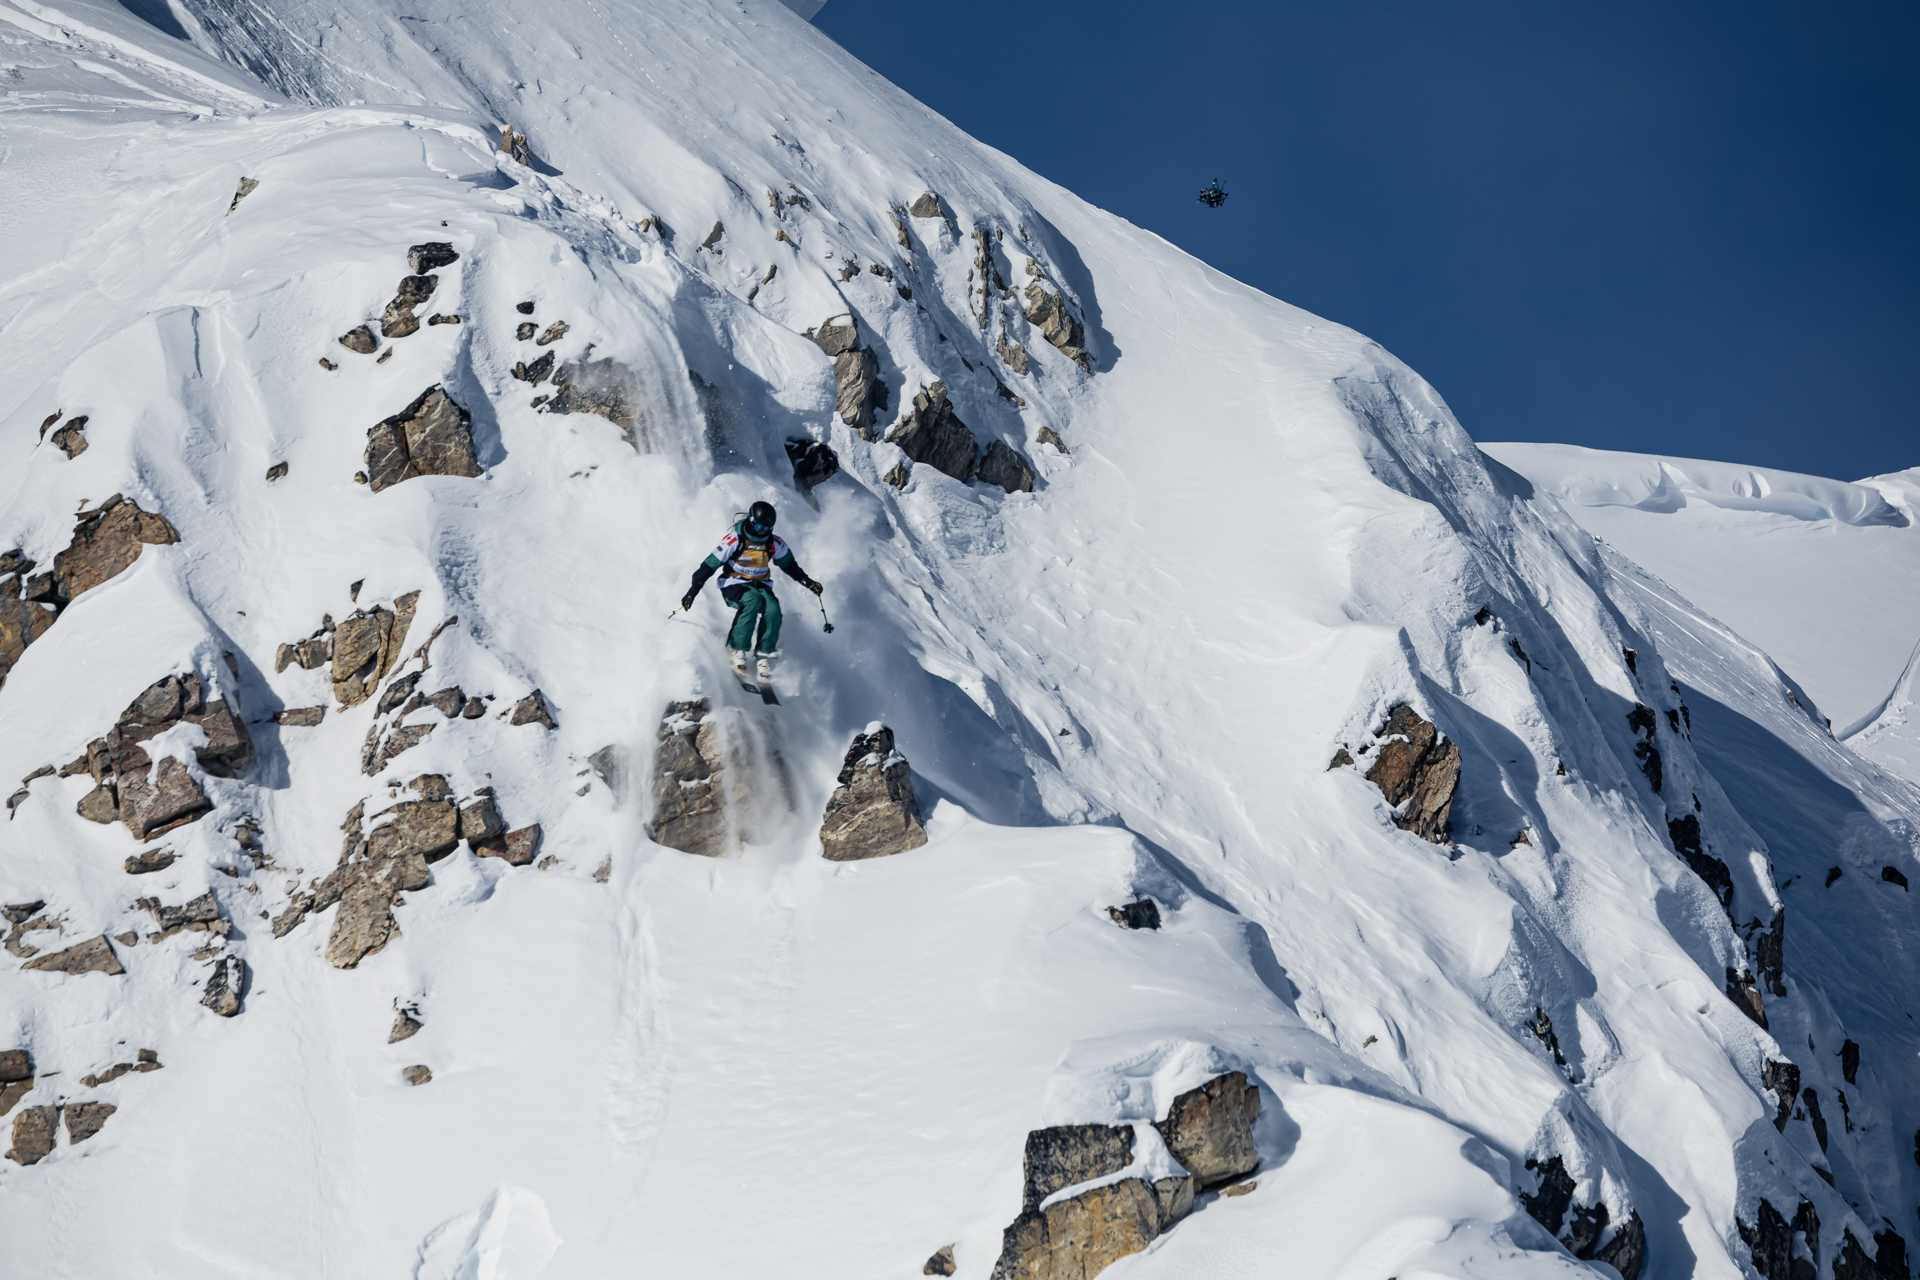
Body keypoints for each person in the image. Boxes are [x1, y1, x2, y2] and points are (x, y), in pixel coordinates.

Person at [681, 500, 822, 681]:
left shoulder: (772, 542)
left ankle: (764, 655)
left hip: (760, 585)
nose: (761, 532)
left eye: (765, 529)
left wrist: (809, 583)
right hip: (733, 584)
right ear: (750, 519)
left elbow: (789, 565)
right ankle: (738, 649)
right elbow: (709, 566)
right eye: (758, 527)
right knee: (752, 601)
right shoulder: (735, 539)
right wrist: (692, 591)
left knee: (773, 610)